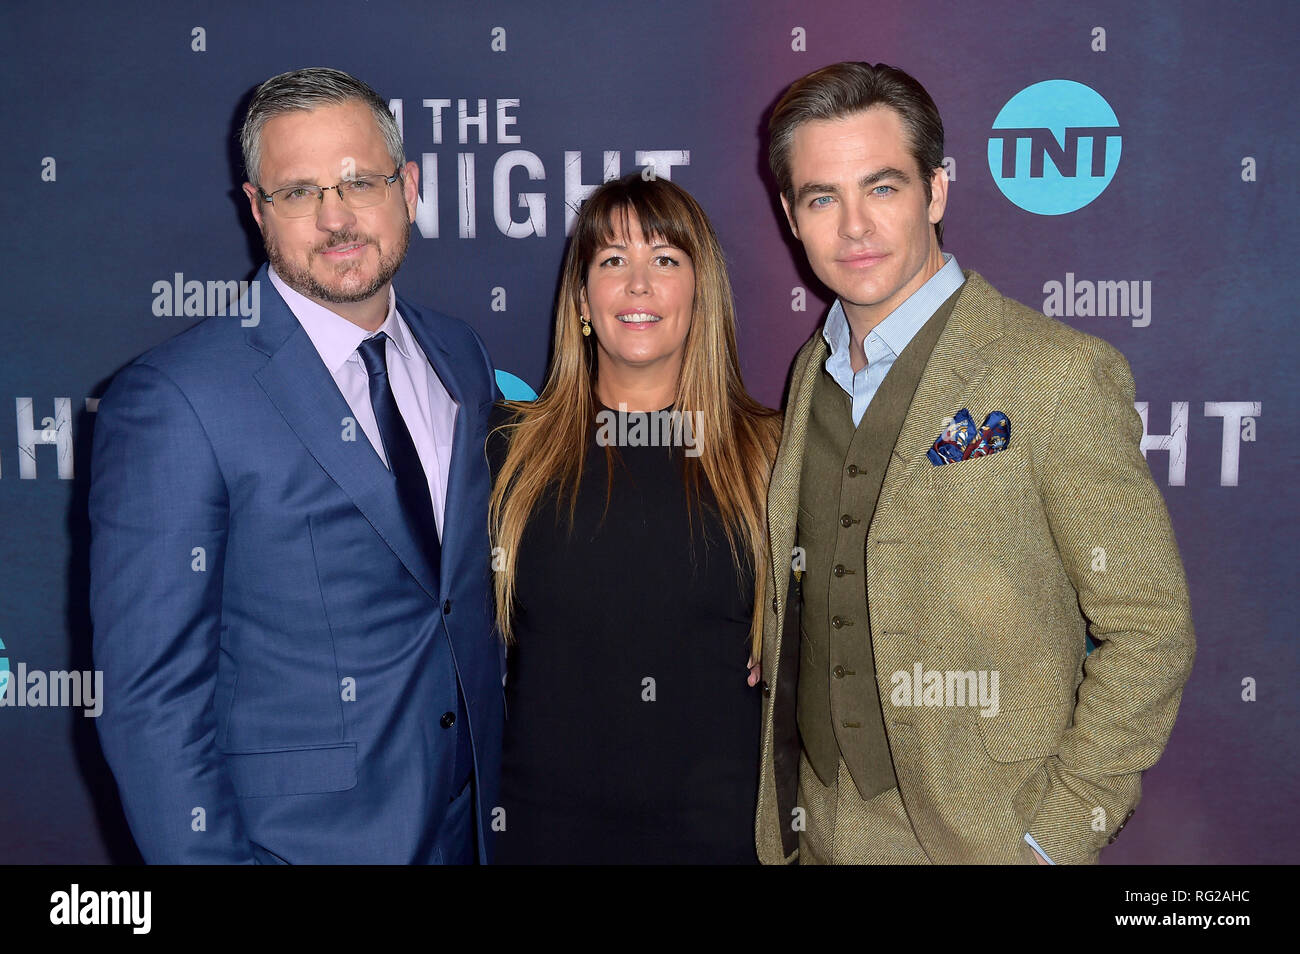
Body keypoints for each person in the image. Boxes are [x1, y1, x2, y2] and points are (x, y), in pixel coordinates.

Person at [753, 62, 1195, 864]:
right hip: (810, 833)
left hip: (985, 840)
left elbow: (1151, 629)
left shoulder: (1054, 373)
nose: (854, 227)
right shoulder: (808, 369)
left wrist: (1054, 839)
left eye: (882, 188)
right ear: (790, 215)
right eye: (823, 197)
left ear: (937, 192)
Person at [89, 68, 503, 864]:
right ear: (255, 210)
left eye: (360, 182)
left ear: (409, 186)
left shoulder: (462, 356)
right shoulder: (176, 400)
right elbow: (150, 705)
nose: (336, 218)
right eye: (299, 192)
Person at [487, 172, 781, 863]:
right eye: (613, 261)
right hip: (543, 833)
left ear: (698, 294)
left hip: (724, 835)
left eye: (666, 261)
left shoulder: (770, 452)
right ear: (583, 298)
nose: (639, 285)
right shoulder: (508, 449)